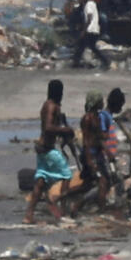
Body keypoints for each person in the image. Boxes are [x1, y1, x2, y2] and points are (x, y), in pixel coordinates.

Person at [24, 79, 76, 224]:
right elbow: (48, 128)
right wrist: (66, 130)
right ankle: (61, 211)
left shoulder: (48, 106)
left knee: (40, 182)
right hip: (47, 149)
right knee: (66, 175)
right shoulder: (52, 106)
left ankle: (28, 215)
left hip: (42, 148)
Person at [79, 92, 111, 212]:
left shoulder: (96, 117)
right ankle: (102, 211)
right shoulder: (88, 119)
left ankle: (76, 204)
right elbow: (86, 141)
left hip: (96, 154)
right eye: (101, 101)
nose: (103, 103)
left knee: (87, 184)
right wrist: (89, 161)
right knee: (103, 182)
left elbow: (97, 136)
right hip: (90, 154)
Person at [71, 0, 109, 69]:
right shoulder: (92, 4)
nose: (79, 0)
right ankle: (76, 62)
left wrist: (83, 30)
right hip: (94, 29)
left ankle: (106, 61)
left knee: (88, 47)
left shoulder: (88, 5)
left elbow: (89, 17)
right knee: (83, 45)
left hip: (90, 30)